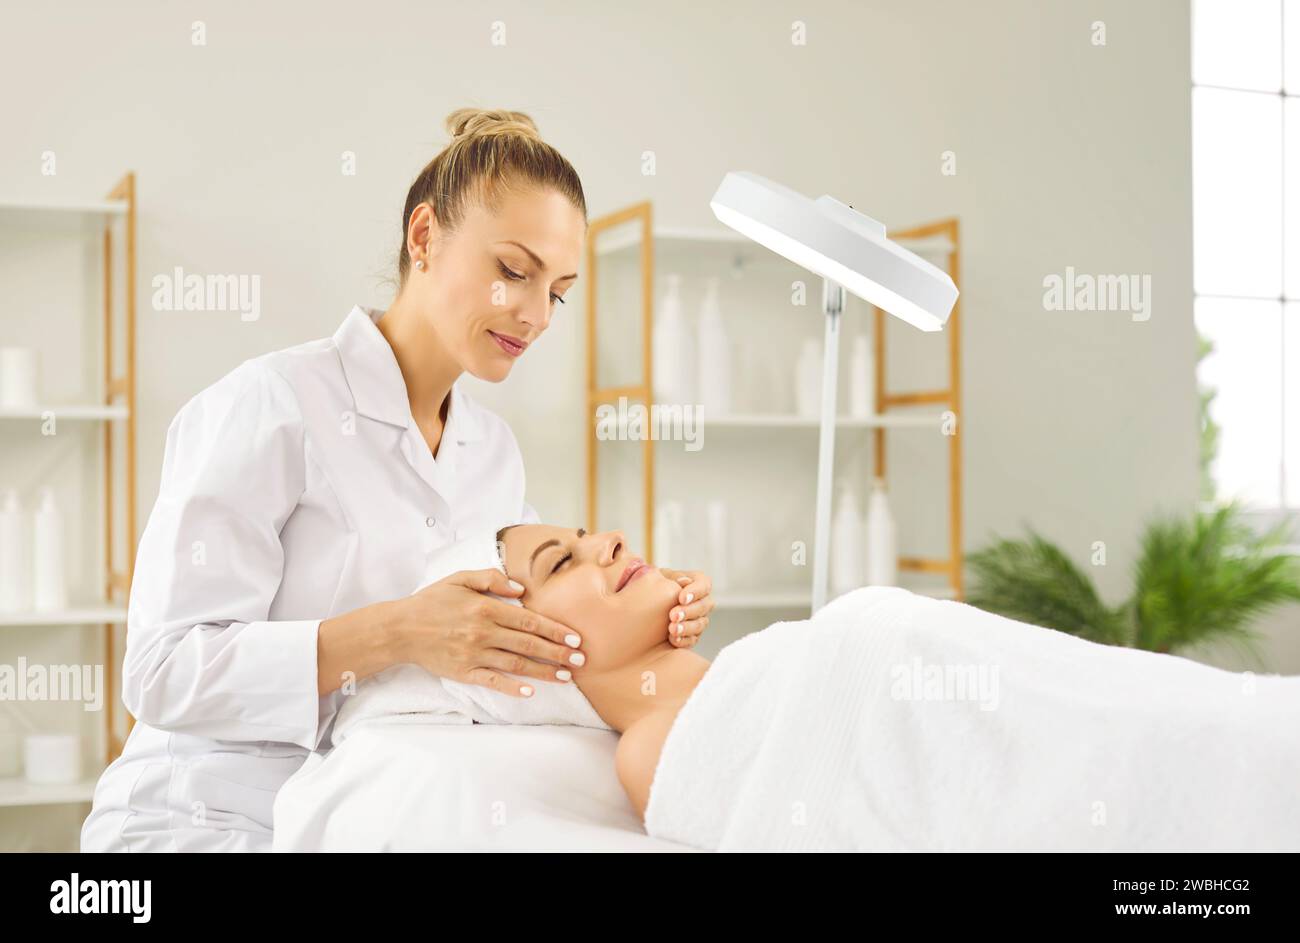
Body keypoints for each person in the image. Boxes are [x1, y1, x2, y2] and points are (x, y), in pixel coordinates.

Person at [81, 108, 716, 853]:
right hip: (198, 819)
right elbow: (161, 673)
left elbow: (541, 635)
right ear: (424, 238)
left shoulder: (491, 452)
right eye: (513, 271)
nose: (537, 313)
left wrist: (655, 605)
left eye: (558, 290)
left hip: (366, 815)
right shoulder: (273, 405)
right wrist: (400, 631)